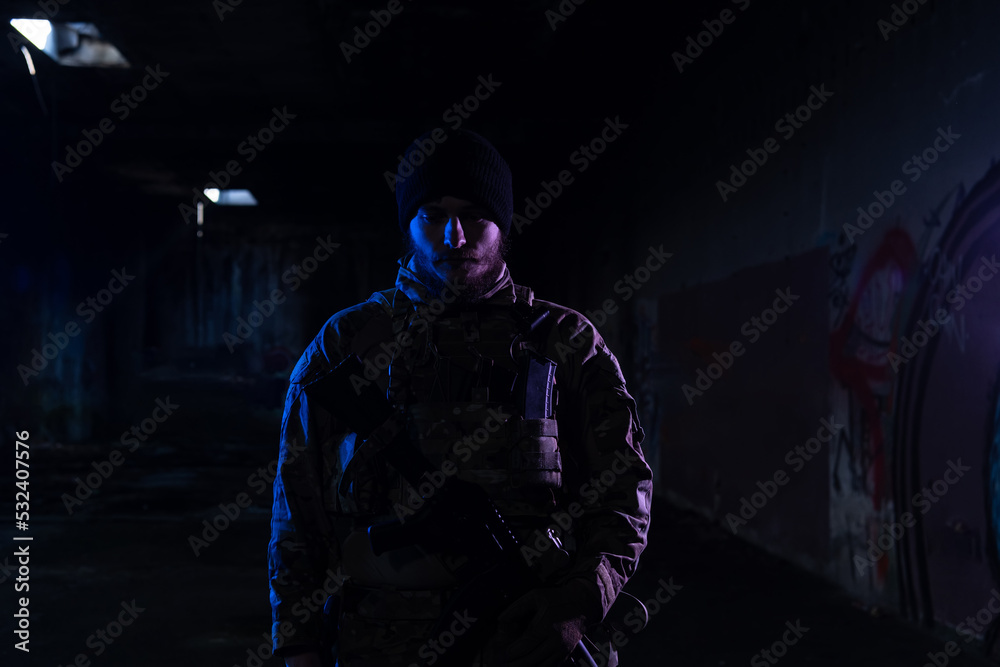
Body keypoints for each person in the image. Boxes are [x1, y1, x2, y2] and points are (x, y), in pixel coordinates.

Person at [268, 128, 653, 667]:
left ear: (503, 224)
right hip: (377, 646)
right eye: (431, 214)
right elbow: (297, 510)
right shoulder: (345, 344)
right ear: (408, 225)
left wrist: (578, 603)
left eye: (475, 213)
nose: (454, 234)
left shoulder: (564, 342)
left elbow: (624, 493)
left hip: (527, 640)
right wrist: (300, 646)